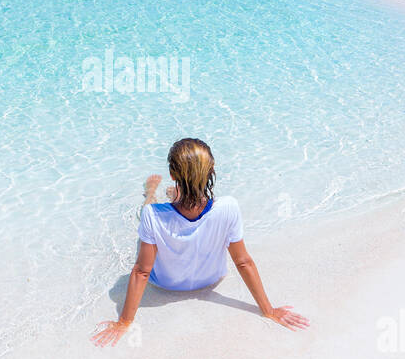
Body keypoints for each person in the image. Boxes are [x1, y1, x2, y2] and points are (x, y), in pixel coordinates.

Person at [92, 137, 309, 346]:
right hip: (212, 279)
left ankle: (151, 192)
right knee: (180, 207)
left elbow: (141, 272)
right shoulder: (229, 207)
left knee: (148, 211)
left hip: (167, 284)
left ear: (171, 173)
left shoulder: (152, 214)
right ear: (211, 171)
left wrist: (124, 322)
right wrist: (268, 310)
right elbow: (243, 262)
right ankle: (176, 194)